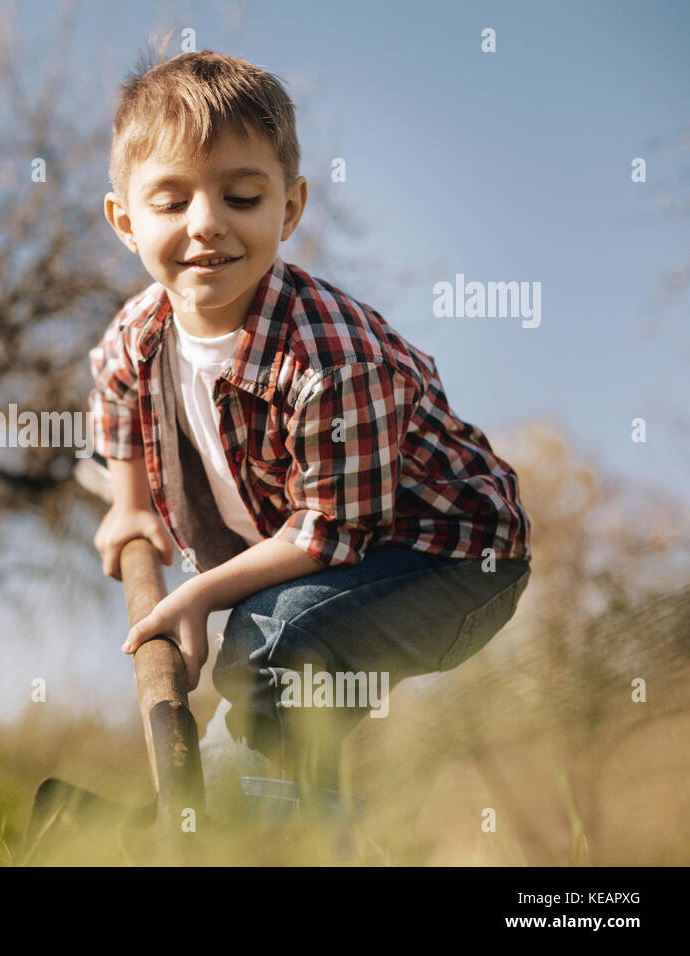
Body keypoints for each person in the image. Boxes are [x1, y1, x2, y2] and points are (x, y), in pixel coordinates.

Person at [88, 49, 531, 796]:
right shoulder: (143, 329)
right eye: (171, 202)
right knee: (271, 668)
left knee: (272, 644)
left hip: (450, 559)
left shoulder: (331, 362)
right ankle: (270, 827)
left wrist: (197, 594)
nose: (206, 226)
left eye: (241, 197)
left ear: (288, 209)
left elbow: (331, 532)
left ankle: (270, 829)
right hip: (340, 543)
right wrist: (129, 505)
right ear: (125, 222)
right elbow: (114, 381)